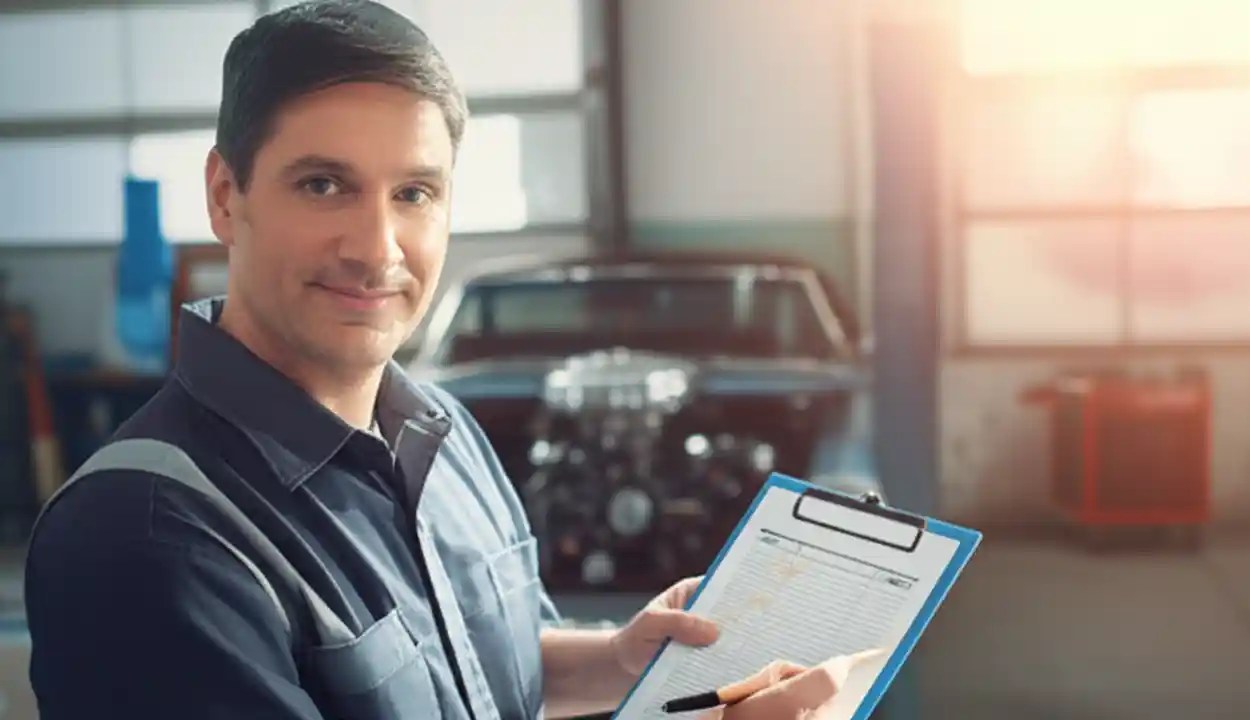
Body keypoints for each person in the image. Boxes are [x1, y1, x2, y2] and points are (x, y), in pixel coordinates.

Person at [24, 2, 870, 718]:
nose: (376, 247)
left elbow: (480, 665)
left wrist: (619, 661)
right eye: (324, 185)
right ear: (224, 195)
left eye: (414, 193)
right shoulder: (145, 535)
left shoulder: (446, 433)